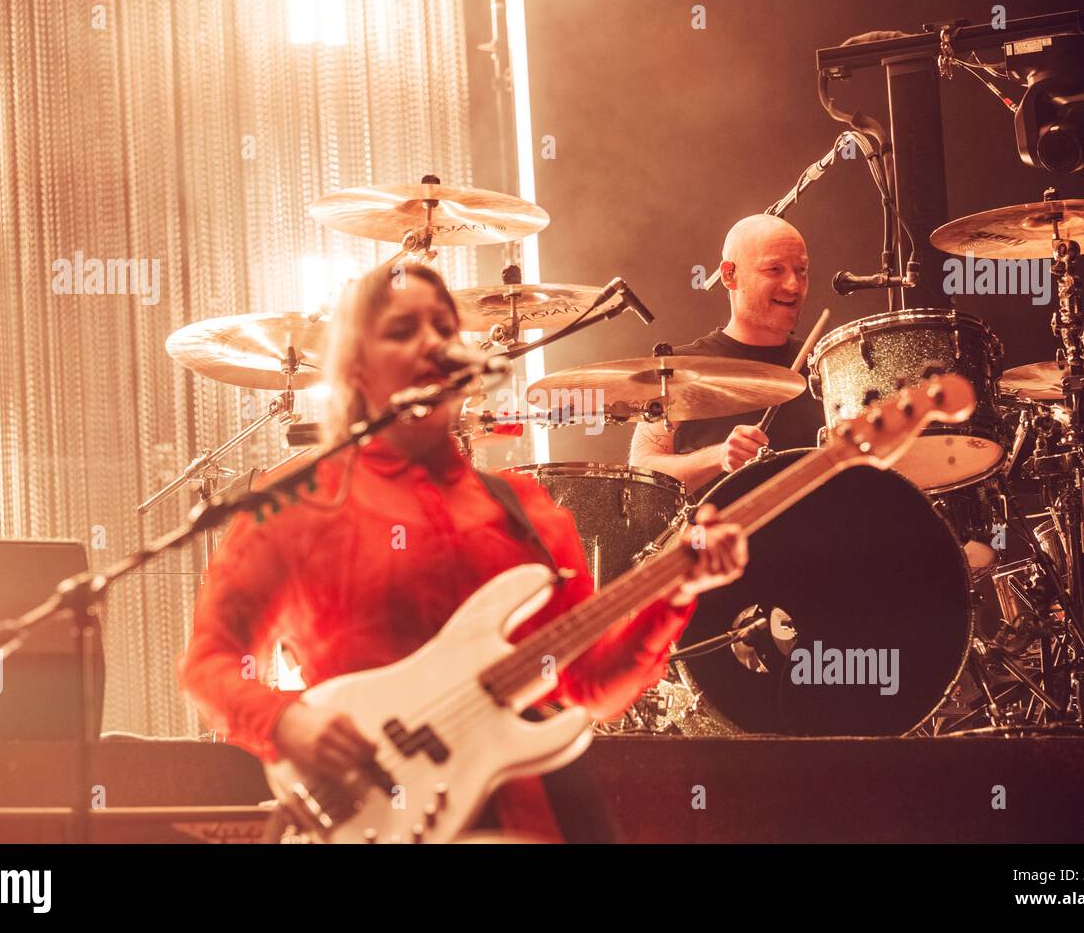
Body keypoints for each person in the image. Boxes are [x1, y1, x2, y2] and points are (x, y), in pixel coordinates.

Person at [178, 261, 748, 842]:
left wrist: (678, 590)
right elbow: (209, 665)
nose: (430, 343)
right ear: (354, 366)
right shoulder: (296, 502)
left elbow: (589, 684)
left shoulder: (526, 510)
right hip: (381, 813)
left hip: (532, 814)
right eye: (402, 331)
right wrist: (286, 720)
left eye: (443, 329)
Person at [630, 214, 824, 496]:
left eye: (801, 270)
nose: (794, 285)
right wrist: (719, 456)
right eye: (774, 269)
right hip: (711, 538)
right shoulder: (680, 367)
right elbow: (643, 475)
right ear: (729, 275)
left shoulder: (823, 364)